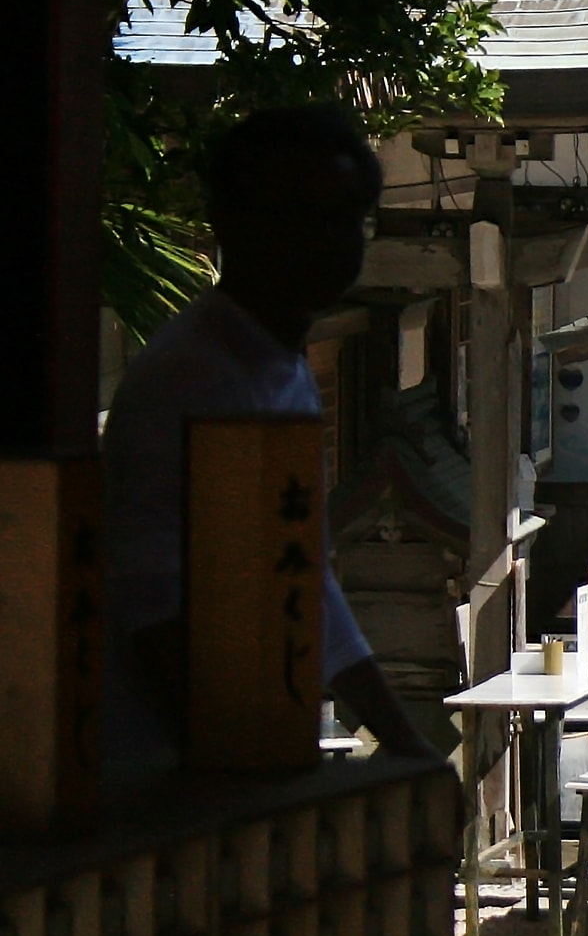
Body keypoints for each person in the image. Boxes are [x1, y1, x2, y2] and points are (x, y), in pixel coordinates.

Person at [101, 105, 441, 771]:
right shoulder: (189, 377)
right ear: (232, 221)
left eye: (347, 217)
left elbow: (305, 581)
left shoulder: (284, 369)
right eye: (299, 216)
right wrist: (227, 754)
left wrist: (406, 744)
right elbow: (148, 595)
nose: (328, 239)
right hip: (156, 768)